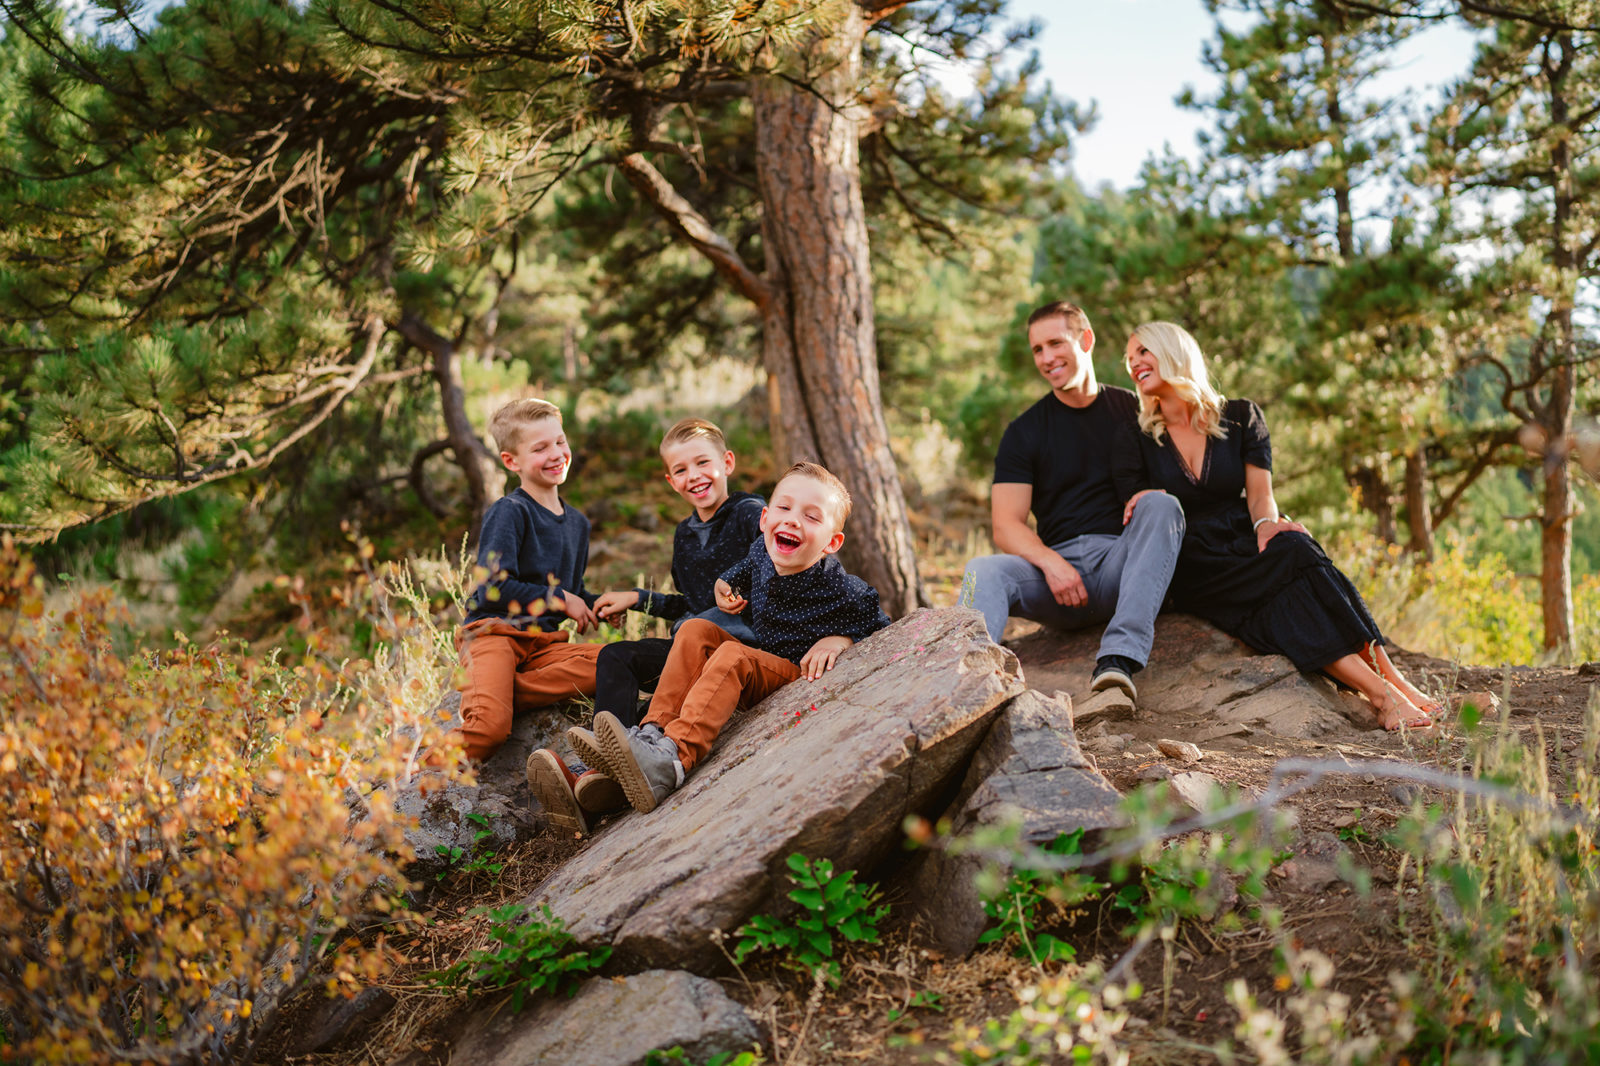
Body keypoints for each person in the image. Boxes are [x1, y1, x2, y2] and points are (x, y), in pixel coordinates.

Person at [1111, 321, 1438, 731]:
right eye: (1129, 357)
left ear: (1173, 350)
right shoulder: (1133, 435)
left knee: (1297, 547)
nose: (1134, 363)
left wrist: (1266, 524)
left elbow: (1260, 495)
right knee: (1278, 602)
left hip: (1240, 533)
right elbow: (1140, 506)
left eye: (1143, 351)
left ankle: (1398, 683)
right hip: (1192, 559)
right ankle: (1382, 696)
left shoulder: (1240, 416)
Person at [566, 461, 891, 814]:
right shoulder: (761, 551)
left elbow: (883, 626)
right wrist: (725, 584)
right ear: (764, 519)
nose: (793, 520)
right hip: (762, 660)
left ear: (832, 542)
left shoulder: (841, 587)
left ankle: (673, 759)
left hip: (795, 674)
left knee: (733, 655)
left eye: (811, 517)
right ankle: (653, 733)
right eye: (784, 508)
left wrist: (840, 640)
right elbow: (743, 570)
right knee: (695, 629)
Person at [525, 417, 764, 834]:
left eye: (703, 463)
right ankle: (600, 772)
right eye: (681, 470)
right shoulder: (684, 534)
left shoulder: (750, 514)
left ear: (727, 462)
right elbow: (692, 605)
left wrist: (744, 587)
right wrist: (637, 598)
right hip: (690, 646)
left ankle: (598, 772)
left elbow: (779, 560)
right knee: (618, 657)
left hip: (737, 645)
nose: (694, 476)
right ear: (671, 481)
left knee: (649, 713)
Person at [960, 301, 1186, 703]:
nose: (1046, 358)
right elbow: (1006, 525)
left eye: (1055, 344)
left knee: (1162, 506)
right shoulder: (1024, 431)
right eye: (1037, 349)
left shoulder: (1137, 411)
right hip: (1055, 582)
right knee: (982, 570)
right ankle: (966, 687)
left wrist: (1265, 517)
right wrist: (1052, 564)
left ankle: (1118, 661)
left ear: (1086, 340)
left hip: (1123, 562)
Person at [451, 398, 603, 768]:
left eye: (560, 441)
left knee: (614, 663)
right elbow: (492, 588)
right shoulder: (510, 511)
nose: (556, 454)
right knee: (489, 730)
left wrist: (597, 603)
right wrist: (561, 599)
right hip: (494, 634)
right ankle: (412, 774)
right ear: (511, 461)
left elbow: (572, 589)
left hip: (542, 647)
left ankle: (499, 691)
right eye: (540, 448)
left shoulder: (578, 524)